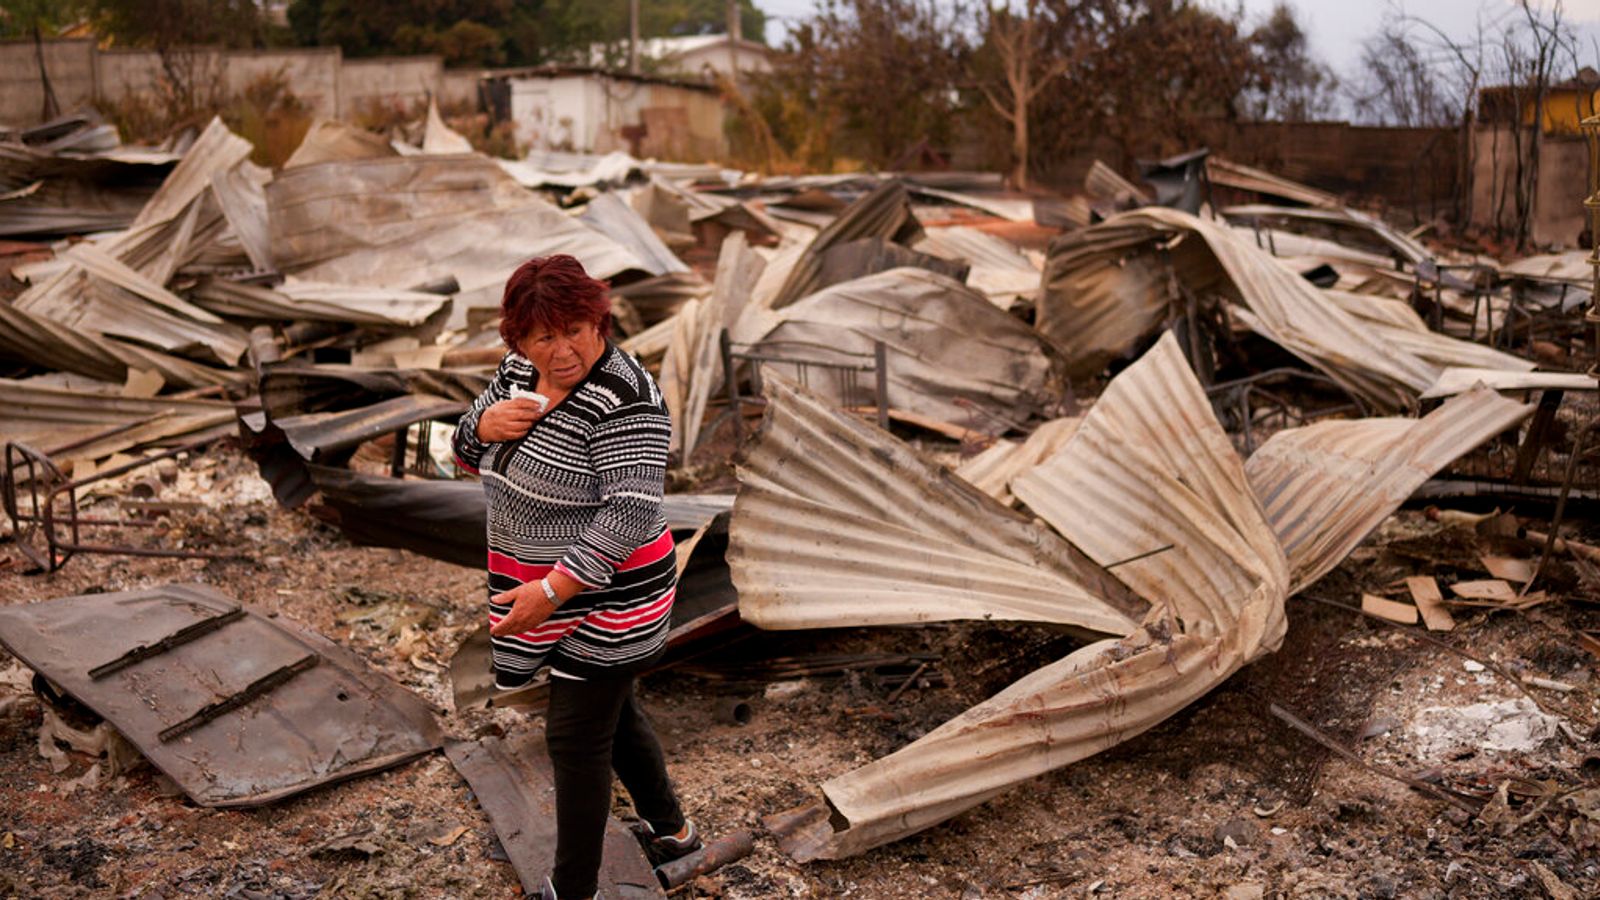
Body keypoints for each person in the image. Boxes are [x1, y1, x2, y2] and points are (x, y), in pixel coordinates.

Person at [452, 255, 701, 900]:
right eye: (544, 337)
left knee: (575, 736)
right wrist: (481, 426)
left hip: (613, 595)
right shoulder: (515, 376)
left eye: (577, 330)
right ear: (518, 340)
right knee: (614, 717)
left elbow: (631, 512)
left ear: (599, 320)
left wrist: (552, 590)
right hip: (544, 587)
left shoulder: (627, 400)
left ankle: (573, 889)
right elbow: (458, 453)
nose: (563, 352)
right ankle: (673, 833)